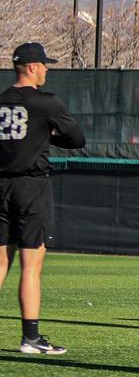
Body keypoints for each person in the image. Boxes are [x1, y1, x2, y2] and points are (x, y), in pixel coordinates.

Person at [0, 42, 86, 355]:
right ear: (33, 67)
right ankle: (31, 339)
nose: (47, 69)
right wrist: (47, 133)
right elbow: (77, 139)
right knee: (31, 265)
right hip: (31, 188)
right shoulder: (46, 103)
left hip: (0, 186)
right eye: (45, 64)